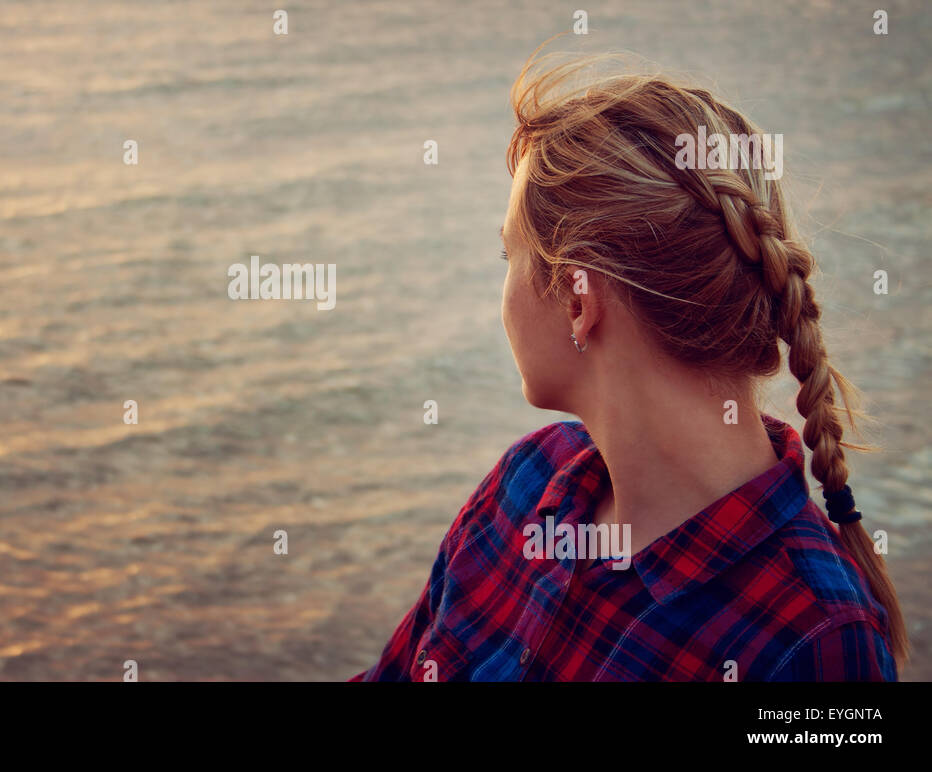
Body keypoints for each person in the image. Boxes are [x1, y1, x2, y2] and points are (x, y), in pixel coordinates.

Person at [349, 48, 907, 682]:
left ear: (577, 299)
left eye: (510, 256)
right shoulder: (526, 486)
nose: (501, 295)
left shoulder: (817, 647)